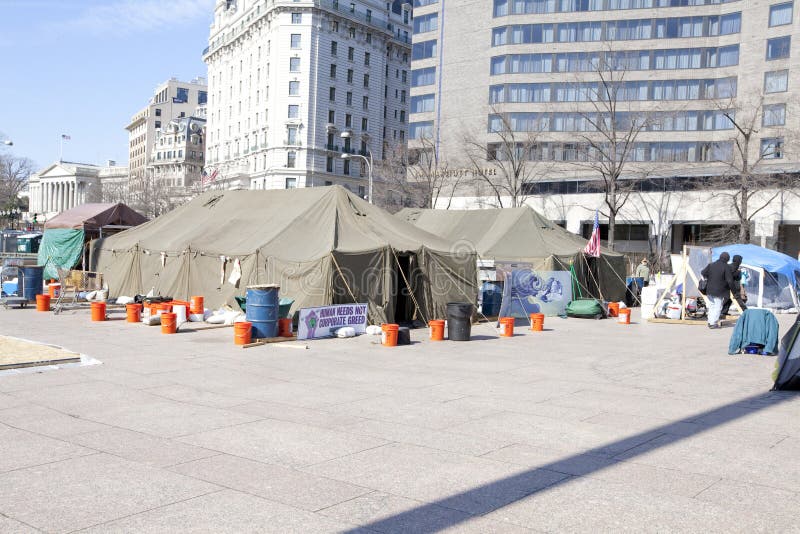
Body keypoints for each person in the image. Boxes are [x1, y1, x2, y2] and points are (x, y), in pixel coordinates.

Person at [701, 251, 733, 329]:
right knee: (718, 307)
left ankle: (710, 321)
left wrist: (708, 278)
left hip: (709, 289)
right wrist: (733, 290)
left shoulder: (711, 265)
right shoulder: (726, 267)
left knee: (712, 306)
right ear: (727, 259)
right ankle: (713, 323)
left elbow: (703, 272)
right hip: (720, 291)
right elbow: (729, 280)